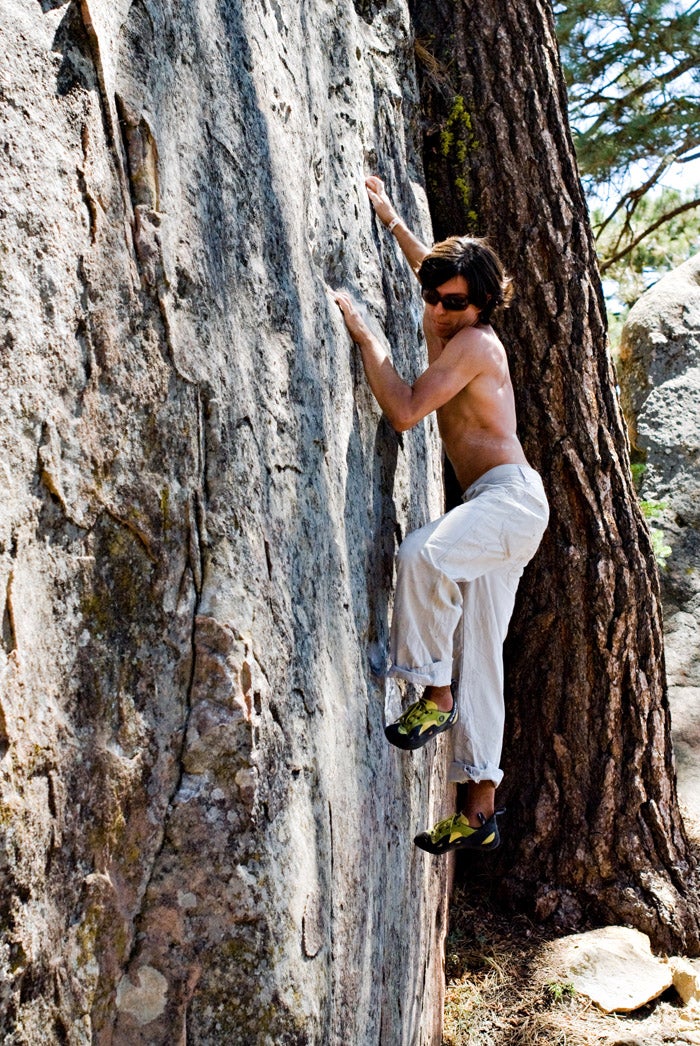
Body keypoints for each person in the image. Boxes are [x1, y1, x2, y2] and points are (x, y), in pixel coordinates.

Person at [333, 176, 549, 856]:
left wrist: (369, 340)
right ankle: (479, 805)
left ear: (481, 305)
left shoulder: (475, 343)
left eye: (452, 301)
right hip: (499, 507)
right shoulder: (450, 307)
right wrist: (394, 222)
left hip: (509, 500)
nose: (437, 308)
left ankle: (433, 692)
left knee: (422, 556)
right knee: (483, 653)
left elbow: (402, 410)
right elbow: (433, 266)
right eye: (431, 296)